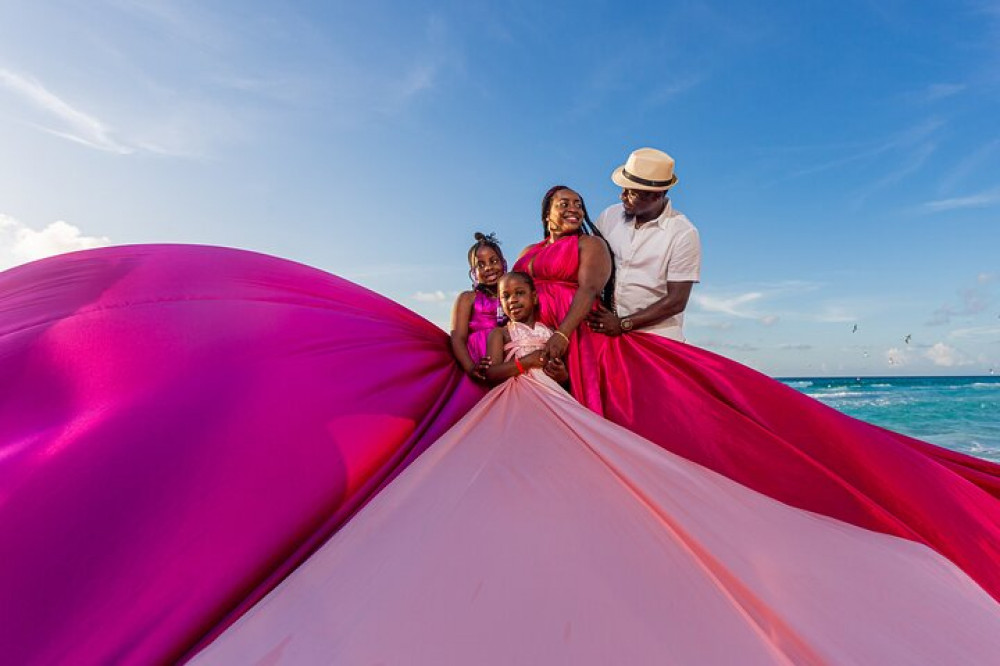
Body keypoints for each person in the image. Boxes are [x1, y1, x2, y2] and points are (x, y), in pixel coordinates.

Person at [514, 183, 1000, 604]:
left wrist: (579, 333)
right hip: (551, 337)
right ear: (546, 213)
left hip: (621, 336)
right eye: (564, 203)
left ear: (659, 194)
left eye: (578, 201)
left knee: (678, 421)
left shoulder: (665, 234)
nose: (578, 207)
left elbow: (631, 295)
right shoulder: (601, 222)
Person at [586, 147, 700, 341]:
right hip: (606, 332)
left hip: (658, 339)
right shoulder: (609, 216)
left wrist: (623, 324)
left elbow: (677, 301)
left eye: (631, 193)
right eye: (623, 189)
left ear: (657, 195)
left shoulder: (683, 233)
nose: (622, 196)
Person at [483, 271, 568, 386]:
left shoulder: (551, 332)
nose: (512, 300)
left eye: (519, 293)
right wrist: (526, 362)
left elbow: (563, 374)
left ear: (534, 297)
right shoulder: (500, 333)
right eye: (506, 296)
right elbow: (491, 373)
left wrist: (562, 376)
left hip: (550, 391)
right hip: (518, 391)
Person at [450, 232, 506, 381]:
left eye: (494, 261)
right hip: (477, 361)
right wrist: (470, 367)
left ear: (504, 263)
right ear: (473, 273)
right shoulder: (468, 298)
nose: (488, 268)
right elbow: (458, 337)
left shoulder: (510, 297)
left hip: (506, 363)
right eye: (481, 265)